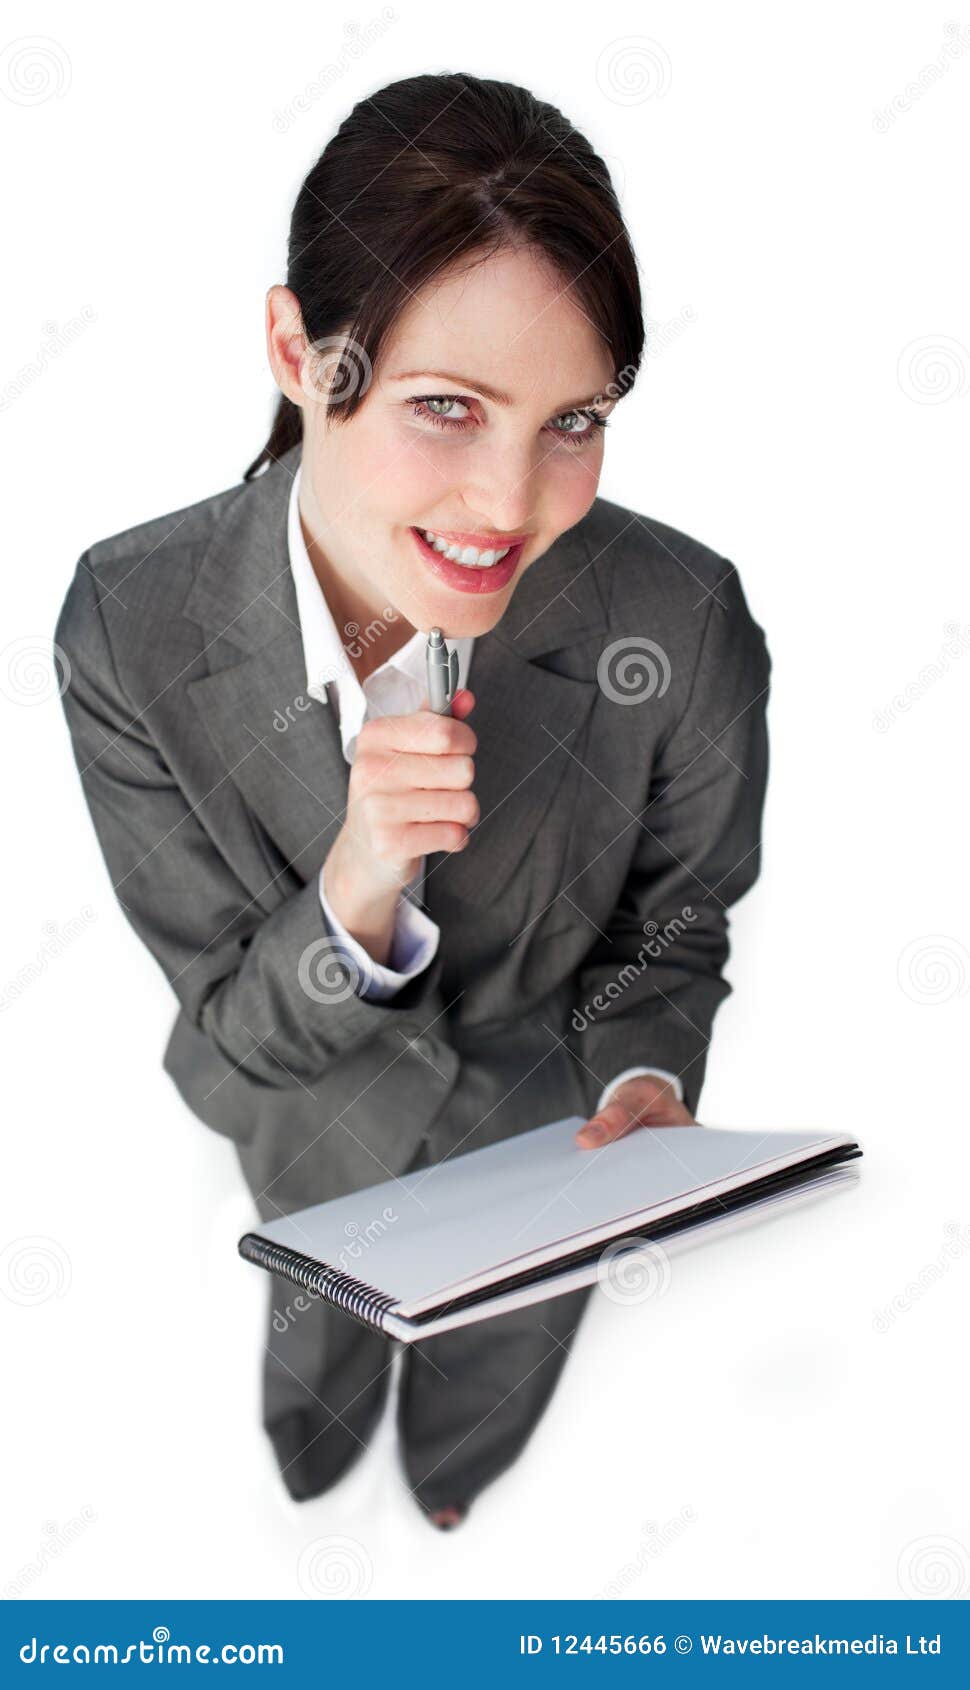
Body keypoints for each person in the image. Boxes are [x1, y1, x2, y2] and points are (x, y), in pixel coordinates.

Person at [54, 71, 771, 1530]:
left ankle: (452, 1484)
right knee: (315, 1338)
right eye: (446, 407)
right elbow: (230, 1021)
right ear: (297, 353)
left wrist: (642, 1079)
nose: (508, 506)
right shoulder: (131, 625)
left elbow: (674, 922)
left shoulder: (681, 621)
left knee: (499, 1355)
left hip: (541, 1145)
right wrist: (357, 881)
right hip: (307, 1129)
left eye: (572, 420)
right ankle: (311, 1470)